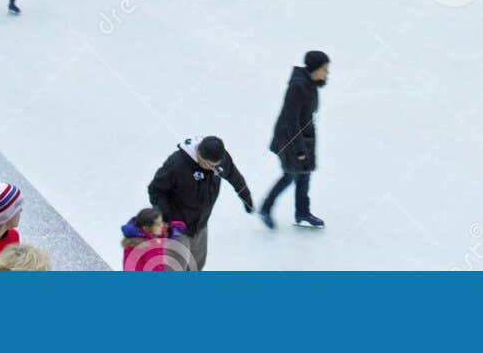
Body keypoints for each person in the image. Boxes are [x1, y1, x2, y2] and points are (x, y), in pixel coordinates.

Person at [147, 134, 252, 269]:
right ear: (198, 154)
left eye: (215, 166)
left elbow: (235, 177)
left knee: (196, 265)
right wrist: (167, 219)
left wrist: (246, 198)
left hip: (201, 226)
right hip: (177, 227)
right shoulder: (177, 163)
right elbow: (155, 190)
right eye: (208, 164)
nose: (212, 168)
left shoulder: (219, 161)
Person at [260, 50, 328, 232]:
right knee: (290, 175)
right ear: (315, 69)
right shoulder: (298, 87)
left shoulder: (311, 84)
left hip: (302, 138)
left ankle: (302, 213)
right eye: (324, 69)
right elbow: (291, 121)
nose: (327, 73)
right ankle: (265, 208)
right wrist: (299, 150)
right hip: (289, 139)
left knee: (304, 174)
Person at [121, 205, 186, 271]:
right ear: (147, 227)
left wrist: (171, 231)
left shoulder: (155, 236)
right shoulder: (135, 247)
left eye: (161, 222)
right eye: (158, 224)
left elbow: (180, 225)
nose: (162, 226)